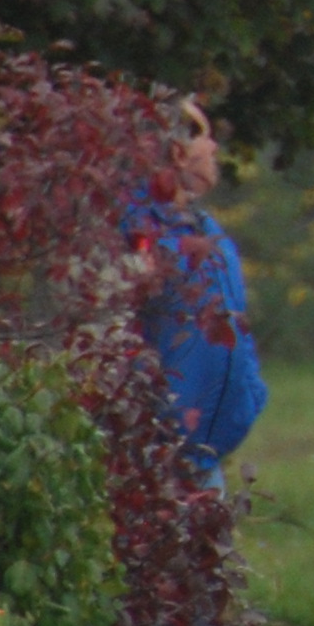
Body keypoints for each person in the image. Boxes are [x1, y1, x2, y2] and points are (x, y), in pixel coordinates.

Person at [127, 96, 268, 480]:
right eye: (203, 136)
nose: (213, 147)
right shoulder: (137, 233)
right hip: (153, 459)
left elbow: (235, 325)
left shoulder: (206, 229)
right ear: (177, 151)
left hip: (206, 459)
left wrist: (250, 396)